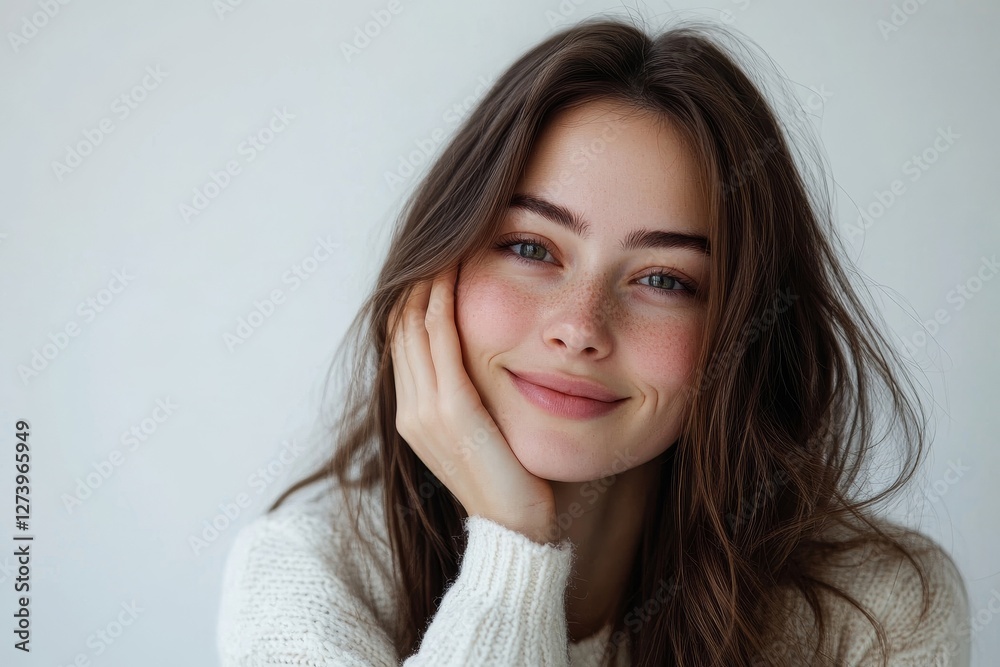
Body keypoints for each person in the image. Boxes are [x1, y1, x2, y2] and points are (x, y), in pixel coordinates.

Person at [216, 15, 971, 666]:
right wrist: (513, 548)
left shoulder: (877, 608)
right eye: (531, 248)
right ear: (437, 269)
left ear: (744, 331)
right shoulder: (303, 573)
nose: (579, 327)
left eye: (665, 280)